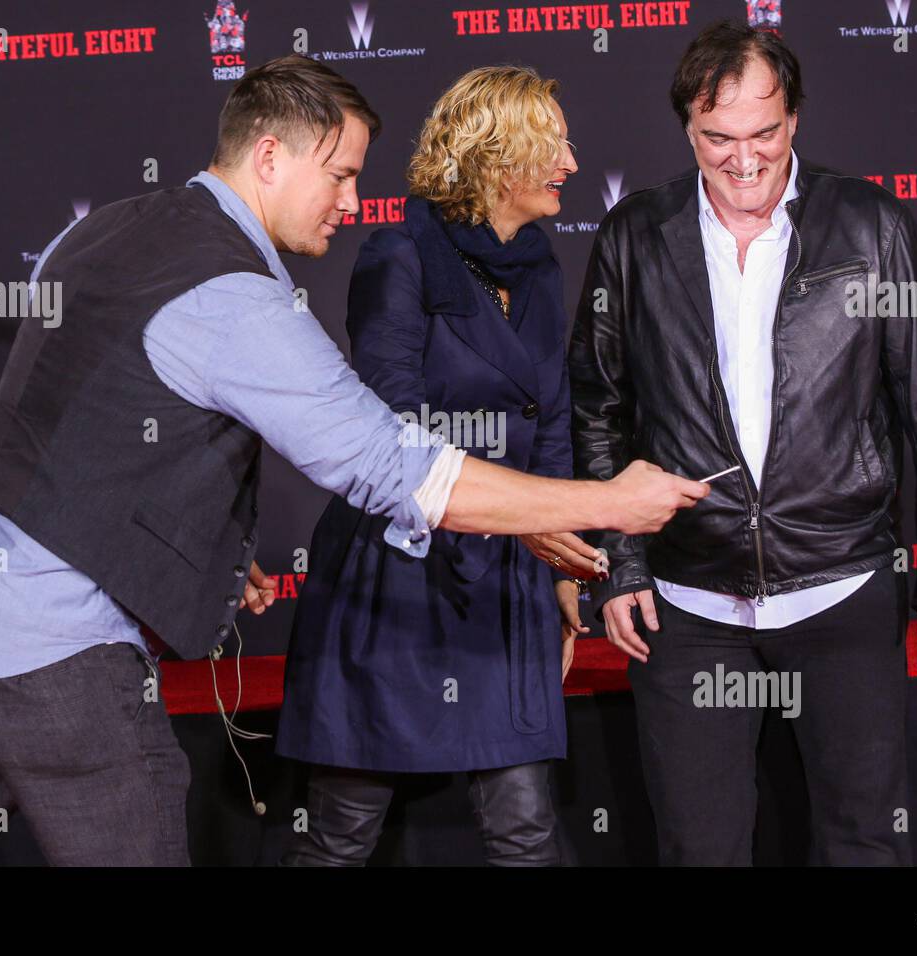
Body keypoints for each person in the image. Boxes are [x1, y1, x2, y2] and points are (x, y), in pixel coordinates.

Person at [0, 55, 705, 867]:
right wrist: (604, 501)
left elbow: (83, 432)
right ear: (269, 155)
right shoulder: (236, 299)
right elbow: (395, 469)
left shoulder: (116, 225)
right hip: (48, 647)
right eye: (338, 175)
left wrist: (205, 556)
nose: (353, 200)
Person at [568, 21, 917, 865]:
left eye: (764, 132)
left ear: (794, 118)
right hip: (686, 600)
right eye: (719, 137)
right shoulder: (633, 237)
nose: (744, 159)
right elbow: (598, 411)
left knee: (865, 840)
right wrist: (621, 562)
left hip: (842, 584)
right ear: (688, 126)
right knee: (699, 848)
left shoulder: (872, 227)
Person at [277, 66, 596, 866]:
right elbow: (395, 426)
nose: (571, 164)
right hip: (401, 573)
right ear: (499, 157)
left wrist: (560, 563)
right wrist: (490, 517)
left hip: (512, 569)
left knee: (527, 830)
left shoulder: (539, 264)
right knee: (342, 835)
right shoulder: (399, 254)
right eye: (553, 145)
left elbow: (550, 419)